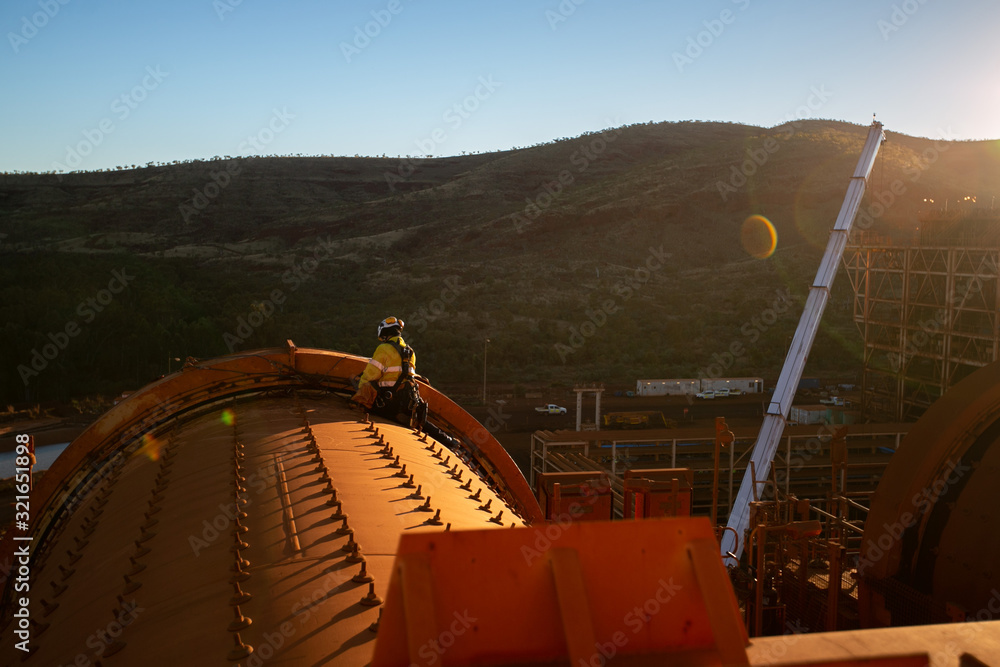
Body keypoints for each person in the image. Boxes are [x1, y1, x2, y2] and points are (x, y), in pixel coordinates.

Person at [351, 317, 459, 449]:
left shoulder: (383, 348)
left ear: (384, 333)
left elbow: (370, 376)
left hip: (387, 402)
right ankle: (449, 441)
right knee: (422, 422)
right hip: (407, 400)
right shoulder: (409, 351)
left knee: (365, 392)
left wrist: (358, 394)